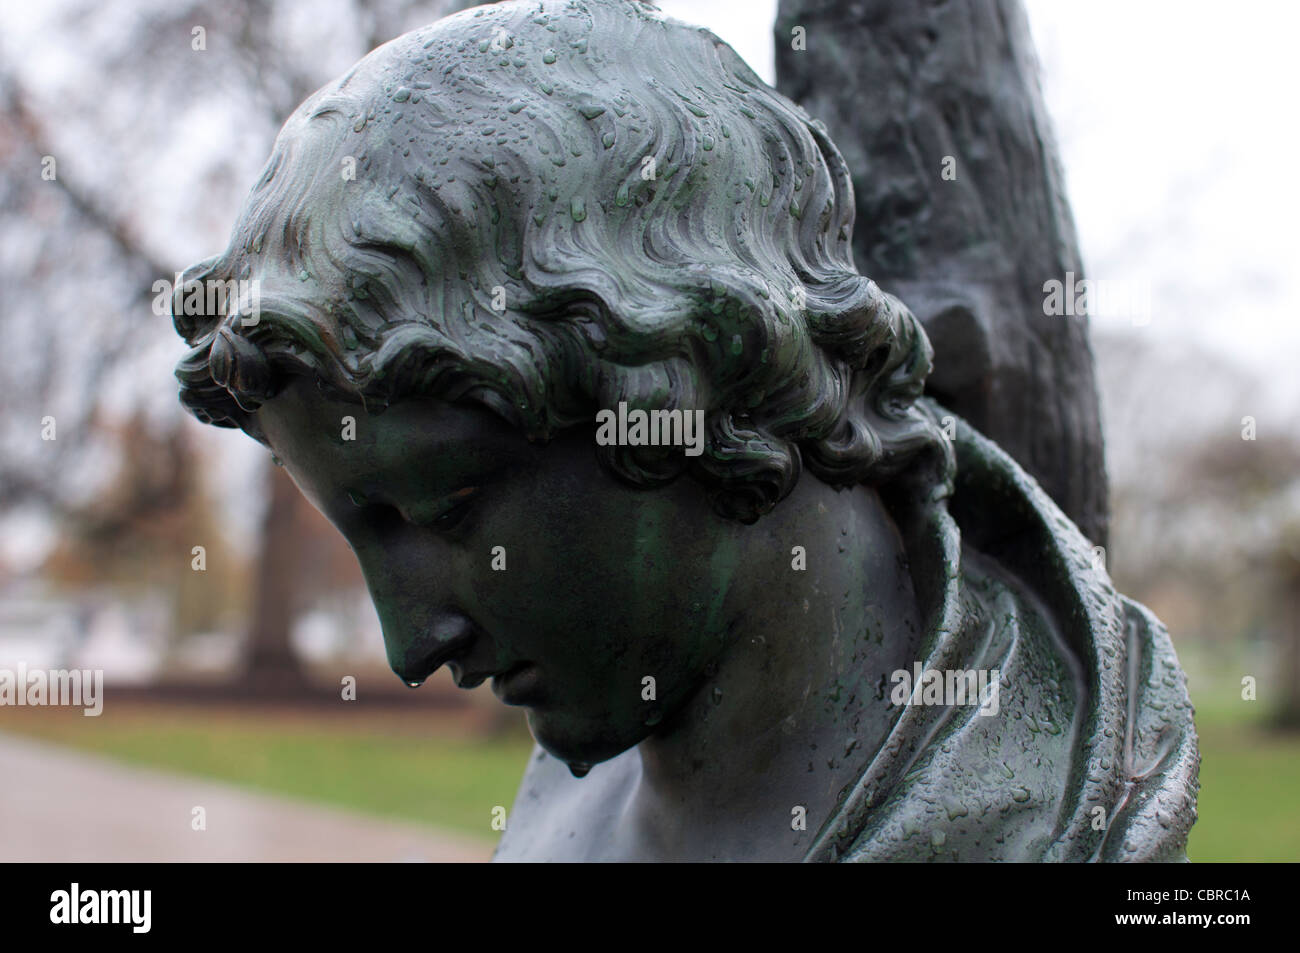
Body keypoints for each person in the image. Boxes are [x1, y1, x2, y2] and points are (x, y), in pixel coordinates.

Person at [171, 0, 1198, 861]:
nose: (408, 647)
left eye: (443, 507)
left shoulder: (1032, 807)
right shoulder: (604, 745)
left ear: (687, 380)